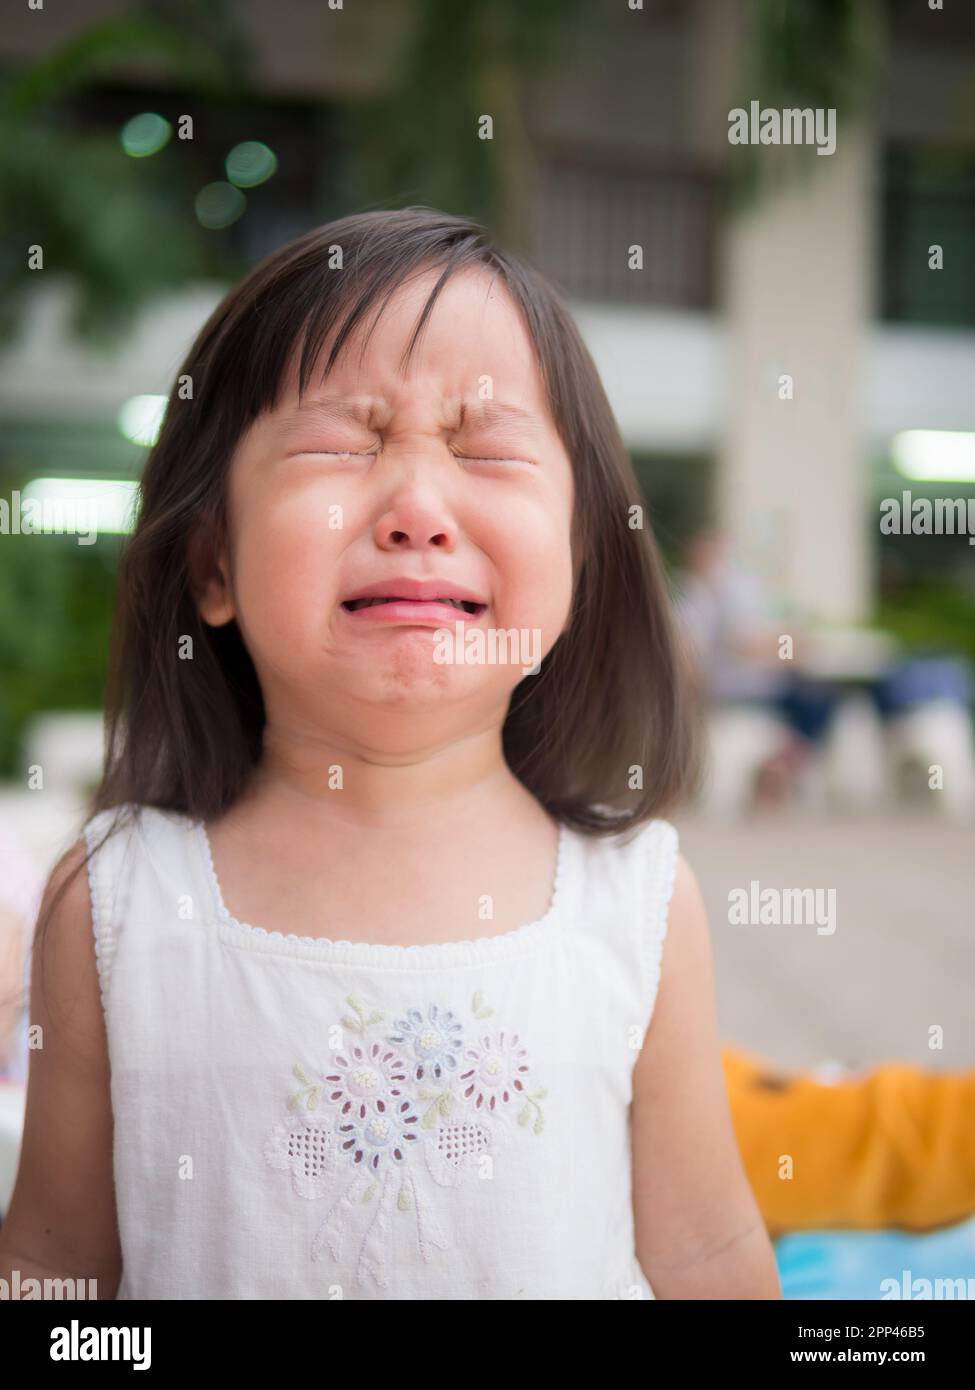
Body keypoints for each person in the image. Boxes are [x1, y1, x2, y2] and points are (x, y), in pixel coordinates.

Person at [0, 208, 781, 1300]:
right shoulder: (123, 903)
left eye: (486, 449)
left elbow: (704, 1254)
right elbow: (52, 1267)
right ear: (212, 563)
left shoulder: (633, 903)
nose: (418, 507)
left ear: (579, 558)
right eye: (339, 444)